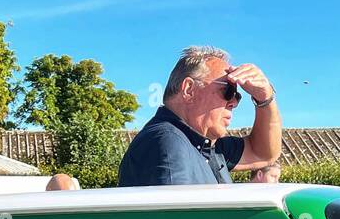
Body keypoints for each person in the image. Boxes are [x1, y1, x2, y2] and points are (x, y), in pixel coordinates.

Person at [118, 45, 280, 188]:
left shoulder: (206, 146)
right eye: (228, 90)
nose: (234, 102)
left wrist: (265, 97)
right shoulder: (169, 143)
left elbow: (264, 153)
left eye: (237, 95)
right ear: (189, 89)